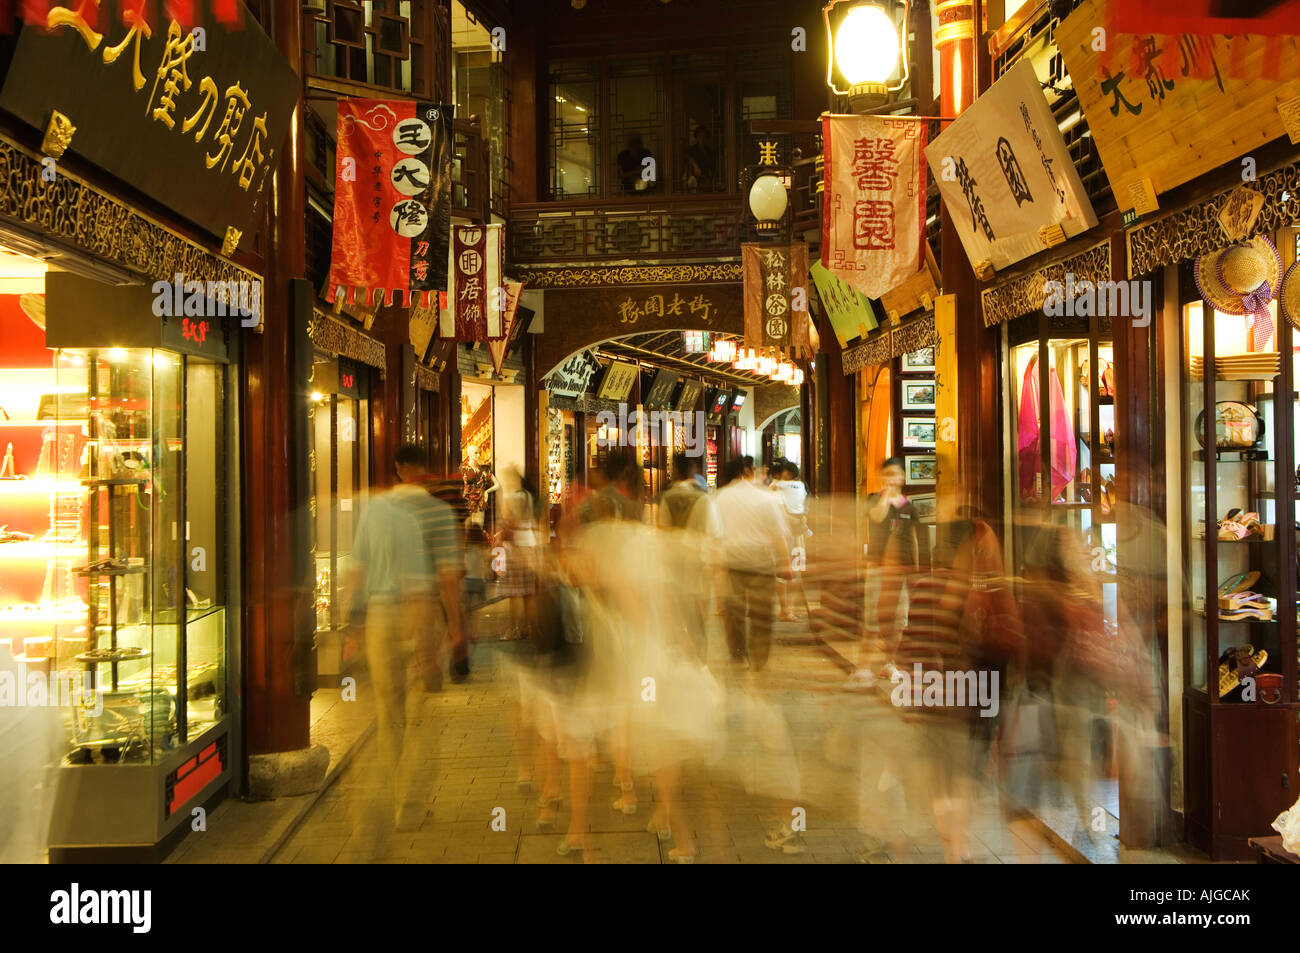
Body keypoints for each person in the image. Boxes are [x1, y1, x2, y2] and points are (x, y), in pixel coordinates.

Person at [392, 444, 467, 687]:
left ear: (403, 468)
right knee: (450, 615)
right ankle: (456, 658)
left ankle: (427, 671)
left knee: (424, 638)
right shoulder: (447, 488)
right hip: (447, 567)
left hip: (414, 582)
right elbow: (461, 520)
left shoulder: (398, 499)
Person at [713, 455, 791, 671]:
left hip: (732, 562)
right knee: (761, 612)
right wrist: (786, 563)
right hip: (761, 563)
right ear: (748, 471)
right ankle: (758, 657)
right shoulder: (765, 498)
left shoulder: (720, 497)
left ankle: (737, 653)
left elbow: (714, 535)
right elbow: (778, 536)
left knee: (734, 612)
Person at [857, 456, 930, 681]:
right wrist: (885, 499)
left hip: (902, 570)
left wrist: (916, 570)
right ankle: (863, 667)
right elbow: (877, 519)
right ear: (881, 477)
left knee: (899, 621)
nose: (891, 478)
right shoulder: (873, 500)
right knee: (871, 618)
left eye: (895, 474)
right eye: (887, 474)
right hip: (878, 568)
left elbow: (913, 539)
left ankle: (889, 663)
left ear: (903, 476)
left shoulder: (909, 507)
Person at [657, 452, 721, 663]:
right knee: (698, 615)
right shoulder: (703, 498)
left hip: (672, 563)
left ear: (675, 472)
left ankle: (676, 657)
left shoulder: (666, 497)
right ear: (693, 471)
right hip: (698, 564)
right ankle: (698, 658)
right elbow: (713, 534)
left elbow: (662, 529)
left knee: (675, 612)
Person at [770, 460, 809, 622]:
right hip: (792, 535)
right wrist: (799, 520)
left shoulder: (779, 488)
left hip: (790, 535)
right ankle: (787, 610)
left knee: (791, 572)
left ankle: (788, 609)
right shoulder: (797, 487)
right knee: (790, 571)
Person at [683, 125, 717, 192]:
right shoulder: (692, 150)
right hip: (694, 179)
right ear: (696, 138)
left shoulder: (710, 152)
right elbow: (686, 156)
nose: (702, 139)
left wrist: (711, 178)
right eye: (700, 136)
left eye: (704, 136)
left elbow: (713, 168)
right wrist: (695, 165)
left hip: (707, 180)